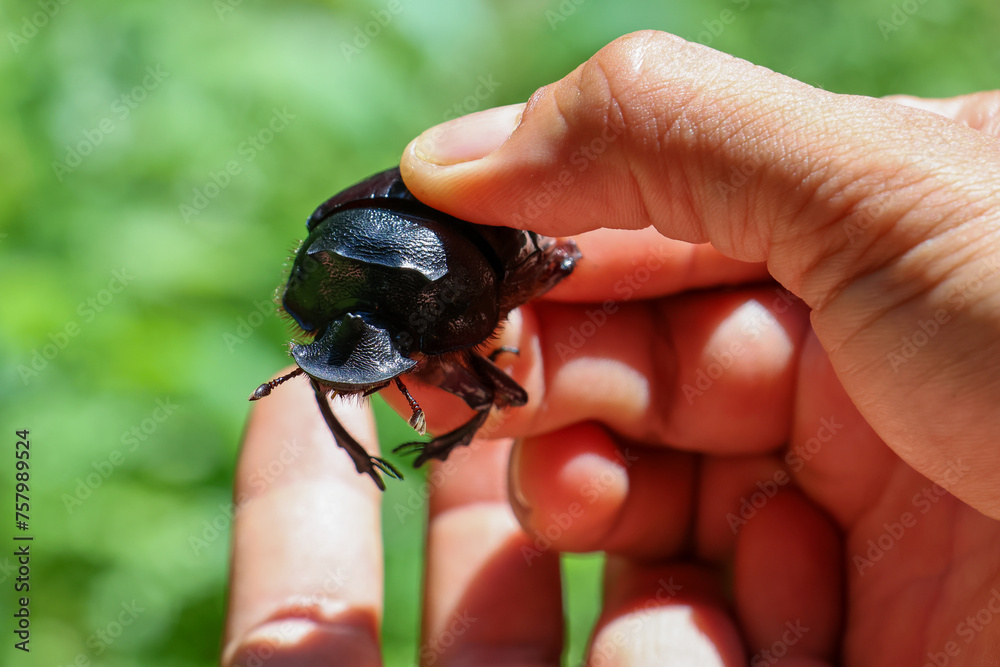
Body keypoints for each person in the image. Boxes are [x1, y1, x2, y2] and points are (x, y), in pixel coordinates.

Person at [223, 31, 1000, 666]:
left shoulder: (462, 297)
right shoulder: (353, 290)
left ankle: (436, 429)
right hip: (414, 254)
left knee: (501, 388)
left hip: (468, 258)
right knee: (452, 393)